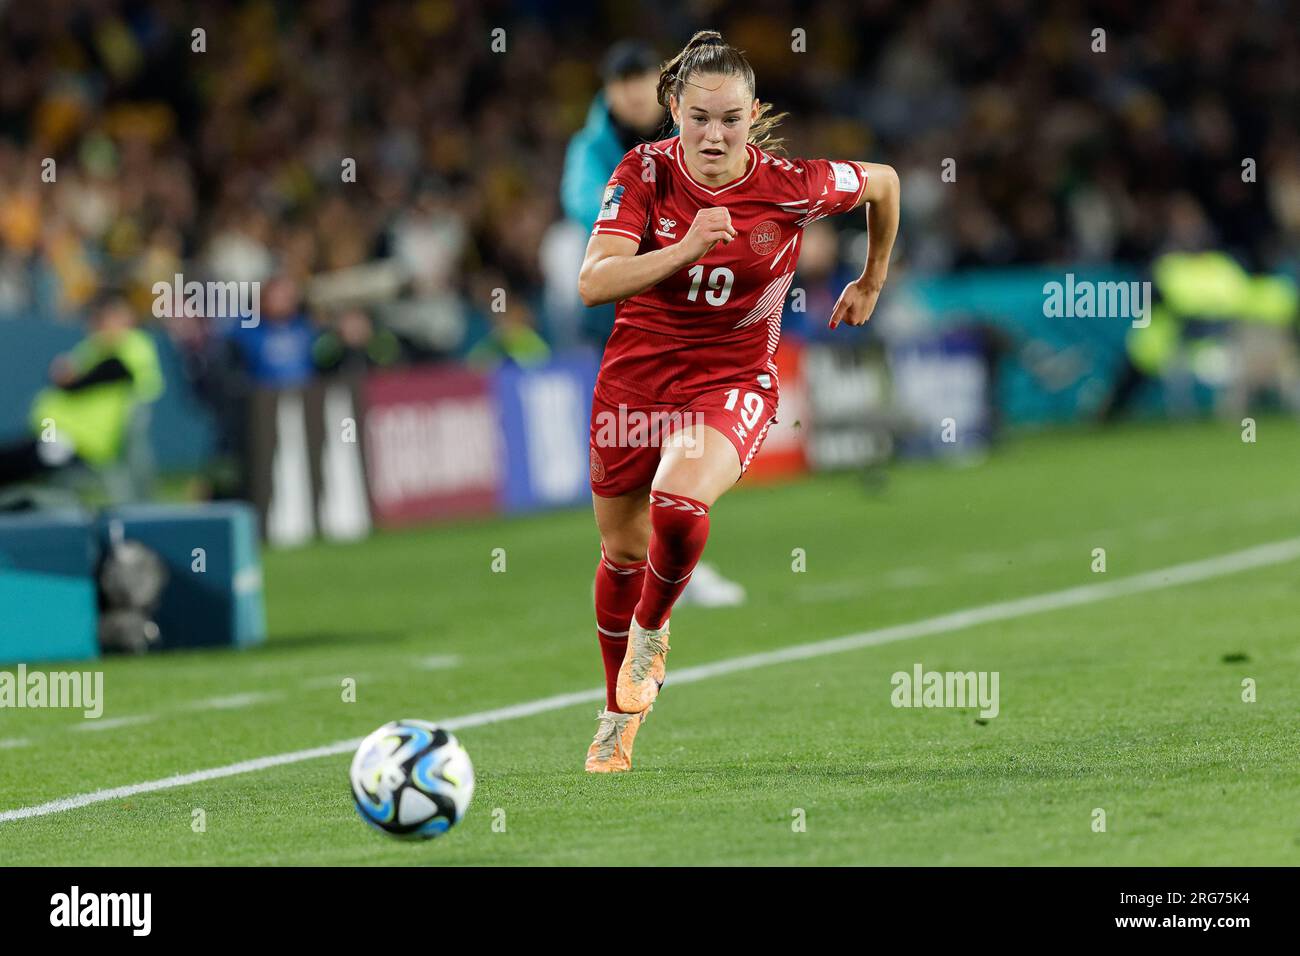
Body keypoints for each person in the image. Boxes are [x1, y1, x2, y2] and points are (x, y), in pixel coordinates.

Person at [578, 31, 900, 772]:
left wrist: (872, 278)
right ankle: (616, 717)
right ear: (673, 110)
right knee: (622, 553)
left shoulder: (792, 184)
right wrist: (686, 247)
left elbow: (883, 182)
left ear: (755, 114)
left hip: (732, 380)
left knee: (680, 505)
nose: (714, 134)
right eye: (698, 118)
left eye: (729, 118)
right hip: (634, 384)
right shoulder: (643, 174)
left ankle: (651, 635)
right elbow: (593, 281)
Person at [0, 290, 163, 491]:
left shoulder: (133, 345)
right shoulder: (92, 348)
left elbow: (107, 371)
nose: (104, 324)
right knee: (13, 455)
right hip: (52, 431)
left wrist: (71, 380)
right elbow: (62, 377)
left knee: (22, 460)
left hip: (79, 442)